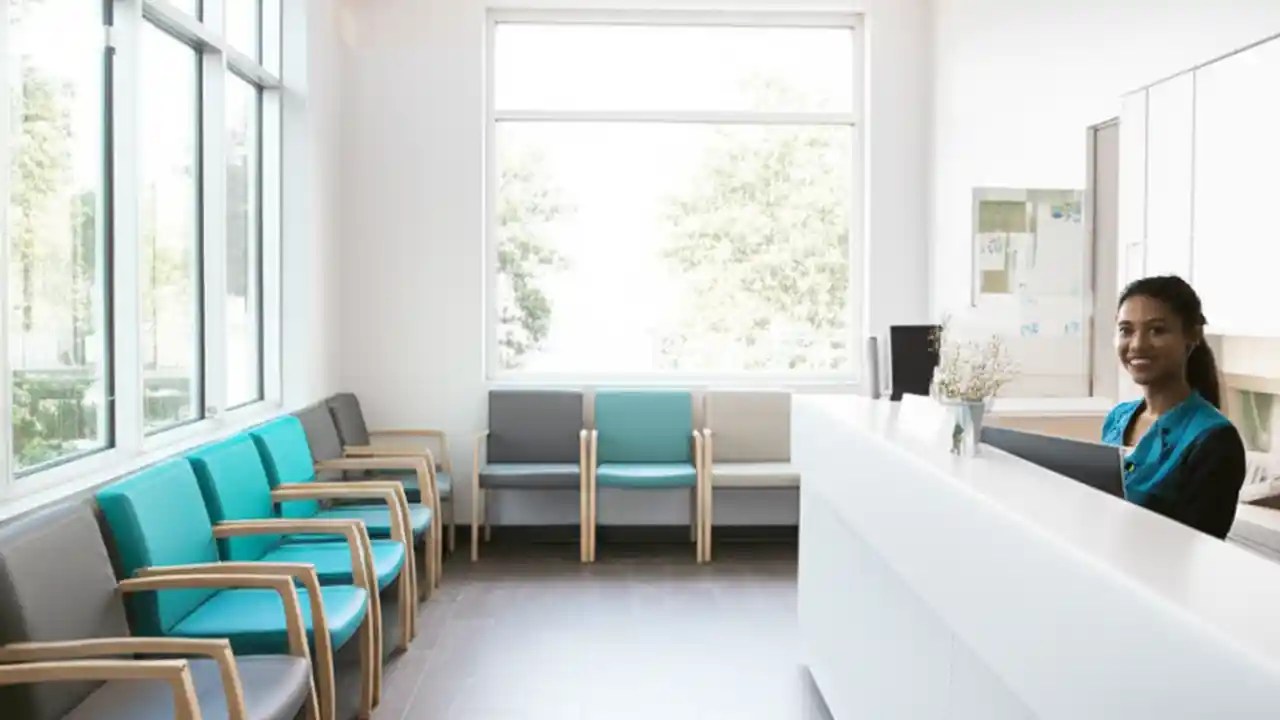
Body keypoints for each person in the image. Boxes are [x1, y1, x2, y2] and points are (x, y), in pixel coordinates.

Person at [1101, 275, 1245, 539]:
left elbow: (1198, 551)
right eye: (1126, 330)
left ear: (1192, 336)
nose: (1137, 345)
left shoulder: (1214, 441)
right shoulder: (1117, 419)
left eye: (1157, 330)